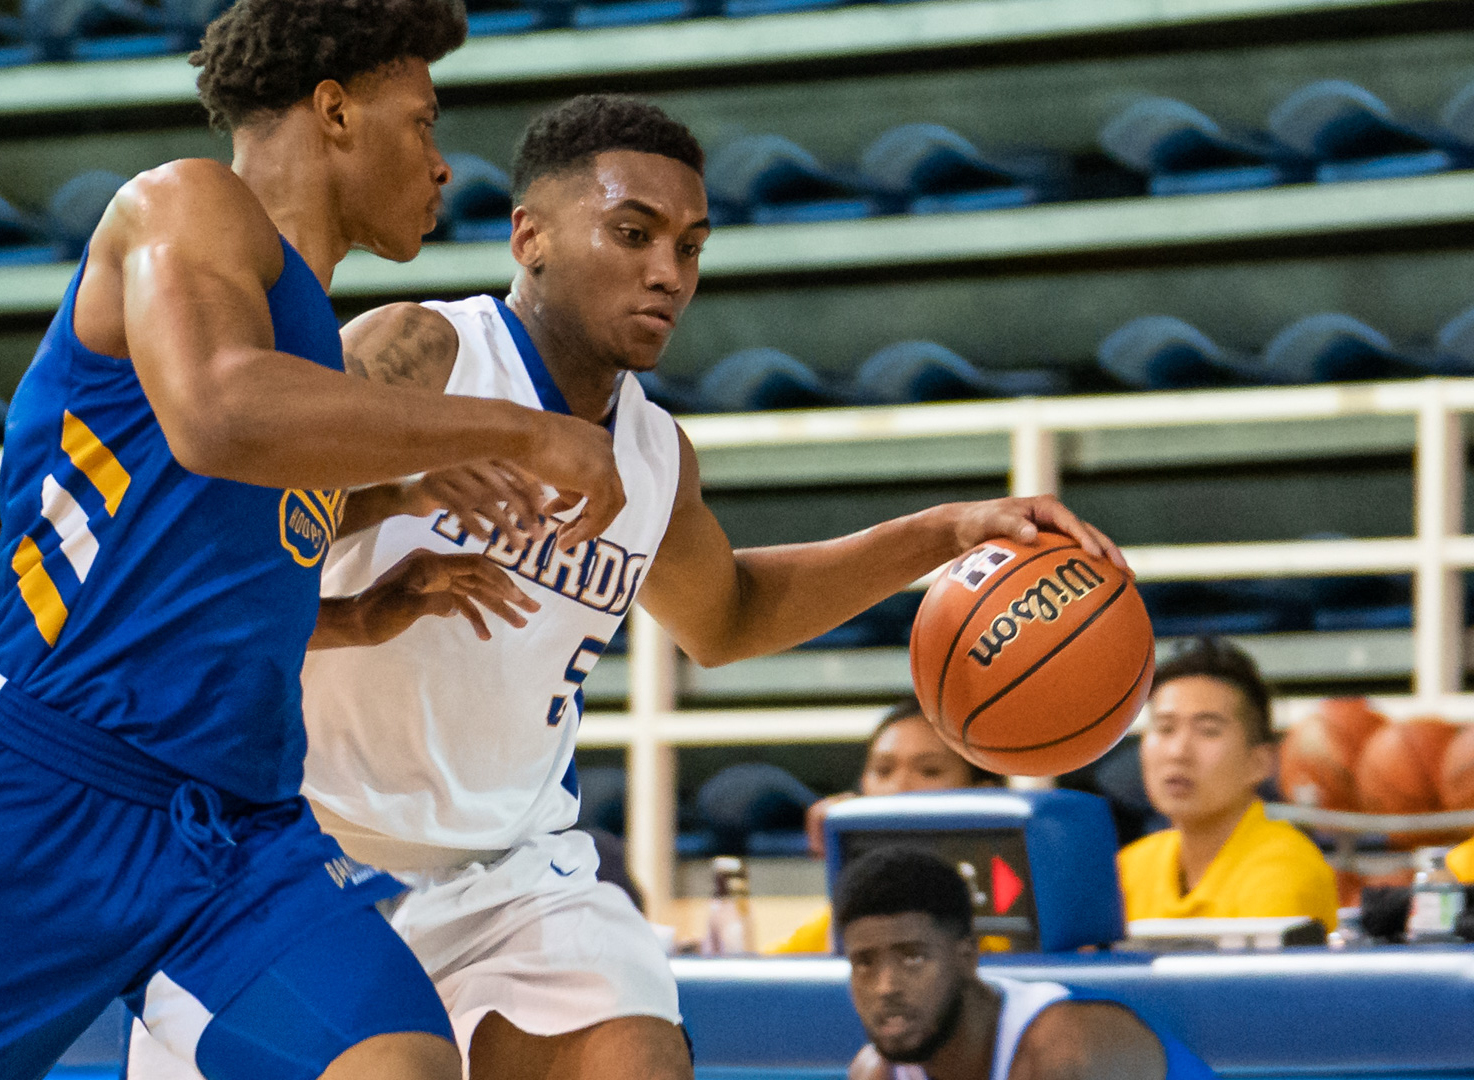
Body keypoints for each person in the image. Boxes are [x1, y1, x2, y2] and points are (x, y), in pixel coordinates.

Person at [132, 94, 1123, 1080]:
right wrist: (395, 498)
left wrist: (945, 534)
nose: (667, 273)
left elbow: (729, 615)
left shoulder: (656, 453)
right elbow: (209, 559)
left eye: (689, 246)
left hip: (510, 874)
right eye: (632, 233)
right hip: (305, 855)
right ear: (531, 237)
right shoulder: (424, 354)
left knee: (637, 1057)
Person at [0, 3, 630, 1079]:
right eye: (422, 123)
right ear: (333, 111)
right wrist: (528, 431)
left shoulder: (314, 350)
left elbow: (189, 555)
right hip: (38, 797)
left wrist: (354, 596)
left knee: (400, 1067)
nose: (442, 165)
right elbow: (217, 415)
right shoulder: (184, 205)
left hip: (235, 832)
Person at [840, 847, 1217, 1080]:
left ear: (967, 957)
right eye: (864, 963)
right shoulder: (877, 1071)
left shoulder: (1066, 1052)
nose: (886, 986)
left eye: (912, 957)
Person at [1116, 638, 1338, 931]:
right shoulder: (1128, 869)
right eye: (1165, 728)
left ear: (1259, 762)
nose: (1178, 751)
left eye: (1208, 731)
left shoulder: (1285, 869)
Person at [769, 700, 1003, 955]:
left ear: (983, 793)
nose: (898, 788)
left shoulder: (1011, 913)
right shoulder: (836, 921)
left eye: (929, 771)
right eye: (883, 771)